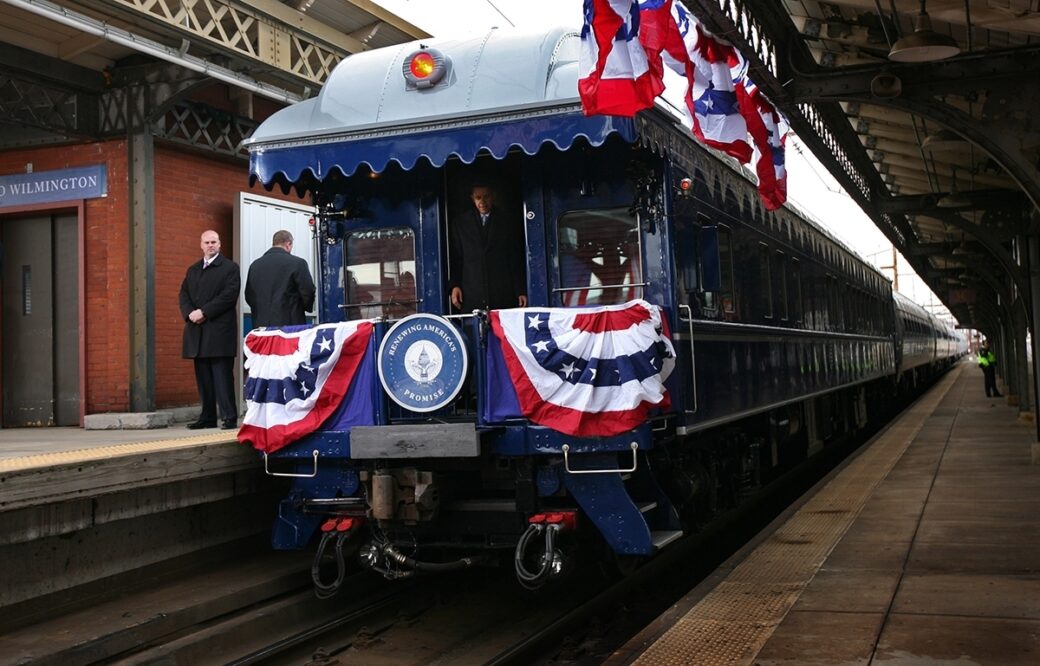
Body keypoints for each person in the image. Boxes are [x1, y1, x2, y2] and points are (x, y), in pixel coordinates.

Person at [179, 230, 241, 429]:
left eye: (214, 242)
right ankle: (207, 418)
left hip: (219, 332)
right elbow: (184, 294)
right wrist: (189, 313)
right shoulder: (193, 270)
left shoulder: (230, 268)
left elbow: (229, 296)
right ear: (201, 245)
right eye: (207, 242)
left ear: (219, 244)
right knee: (203, 378)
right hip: (198, 332)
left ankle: (229, 417)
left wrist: (204, 312)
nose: (210, 245)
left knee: (222, 377)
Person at [448, 183, 527, 312]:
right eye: (478, 197)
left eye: (486, 197)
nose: (482, 202)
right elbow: (457, 258)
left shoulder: (507, 221)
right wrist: (455, 286)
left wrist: (520, 290)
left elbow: (514, 258)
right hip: (472, 294)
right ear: (472, 198)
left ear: (493, 196)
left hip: (502, 294)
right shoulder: (460, 223)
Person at [245, 230, 316, 327]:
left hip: (261, 325)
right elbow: (308, 291)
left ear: (273, 244)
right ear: (288, 244)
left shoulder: (255, 265)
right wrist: (300, 308)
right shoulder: (298, 263)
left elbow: (249, 295)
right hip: (290, 326)